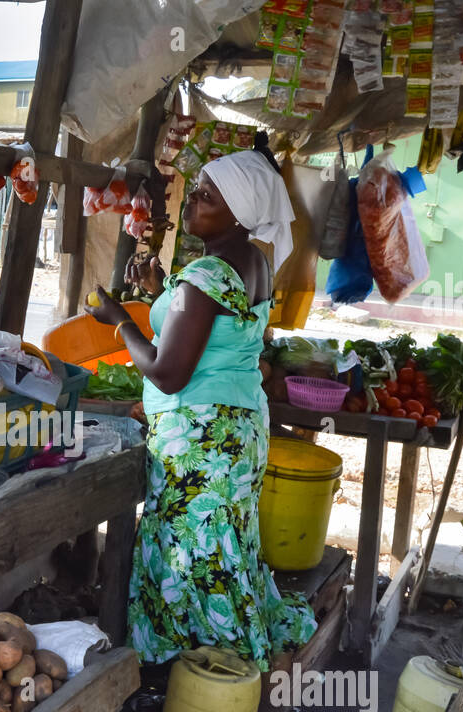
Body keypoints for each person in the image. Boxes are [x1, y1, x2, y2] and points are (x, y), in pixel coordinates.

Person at [84, 147, 317, 668]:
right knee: (221, 550)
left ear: (236, 211)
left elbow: (168, 372)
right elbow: (213, 326)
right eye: (196, 189)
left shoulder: (209, 272)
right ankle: (219, 666)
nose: (191, 201)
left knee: (189, 557)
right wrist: (161, 289)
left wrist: (119, 319)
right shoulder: (254, 261)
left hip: (200, 441)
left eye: (206, 196)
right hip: (238, 430)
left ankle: (204, 671)